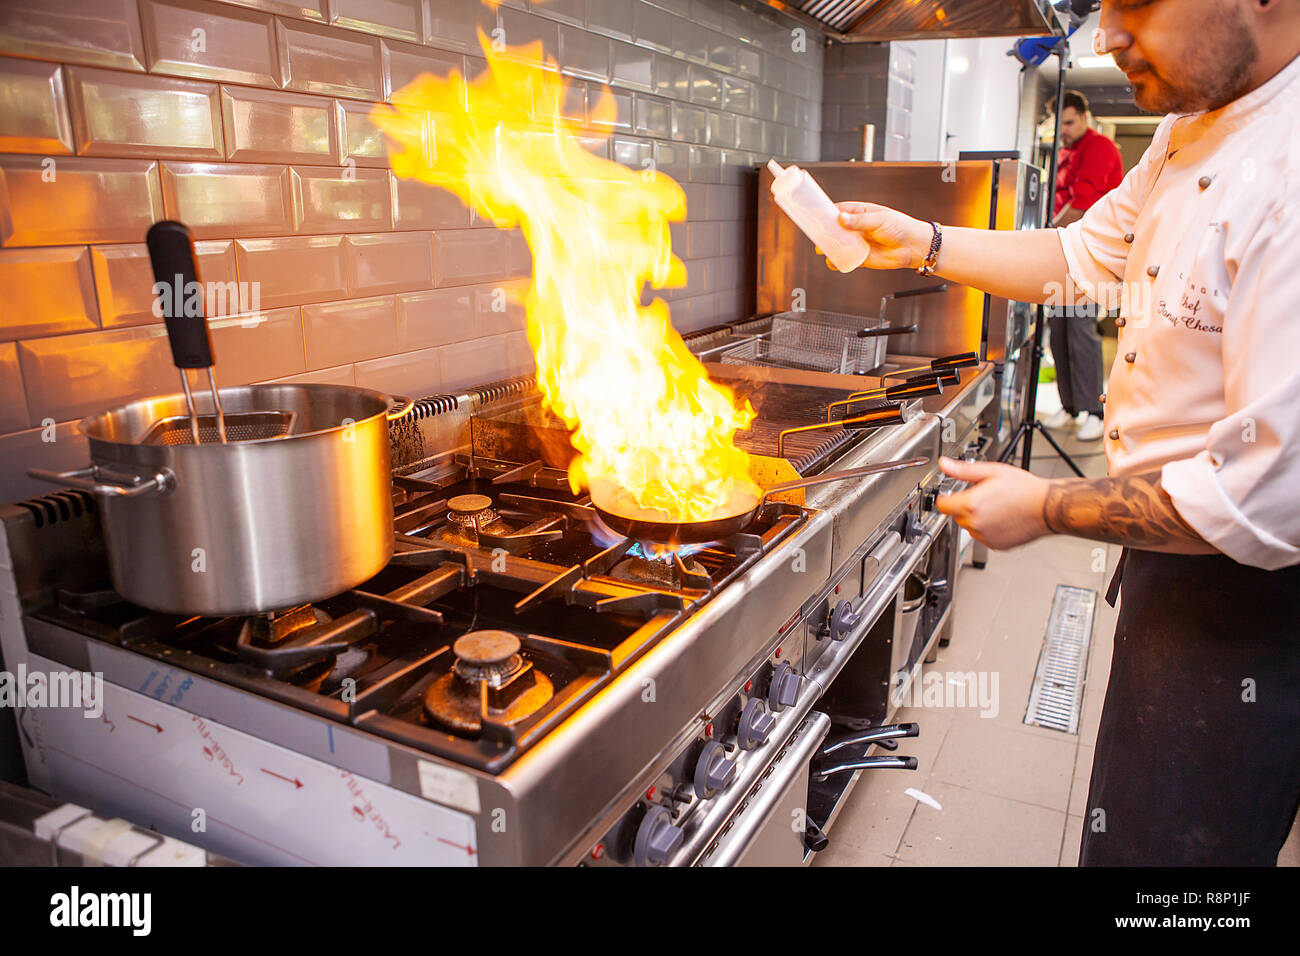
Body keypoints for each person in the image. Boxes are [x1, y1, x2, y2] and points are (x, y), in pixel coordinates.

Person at [829, 0, 1300, 866]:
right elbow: (1083, 258)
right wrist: (923, 241)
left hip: (1253, 606)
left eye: (1137, 3)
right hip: (1175, 571)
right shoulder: (1193, 125)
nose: (1107, 35)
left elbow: (1262, 498)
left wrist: (1047, 506)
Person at [1044, 90, 1123, 442]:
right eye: (1060, 124)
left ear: (1085, 117)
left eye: (1071, 122)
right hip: (1063, 254)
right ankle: (1070, 407)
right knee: (1057, 333)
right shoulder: (1064, 152)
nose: (1065, 130)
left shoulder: (1100, 148)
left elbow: (1081, 204)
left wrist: (1043, 238)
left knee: (1080, 332)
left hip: (1091, 256)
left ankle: (1094, 410)